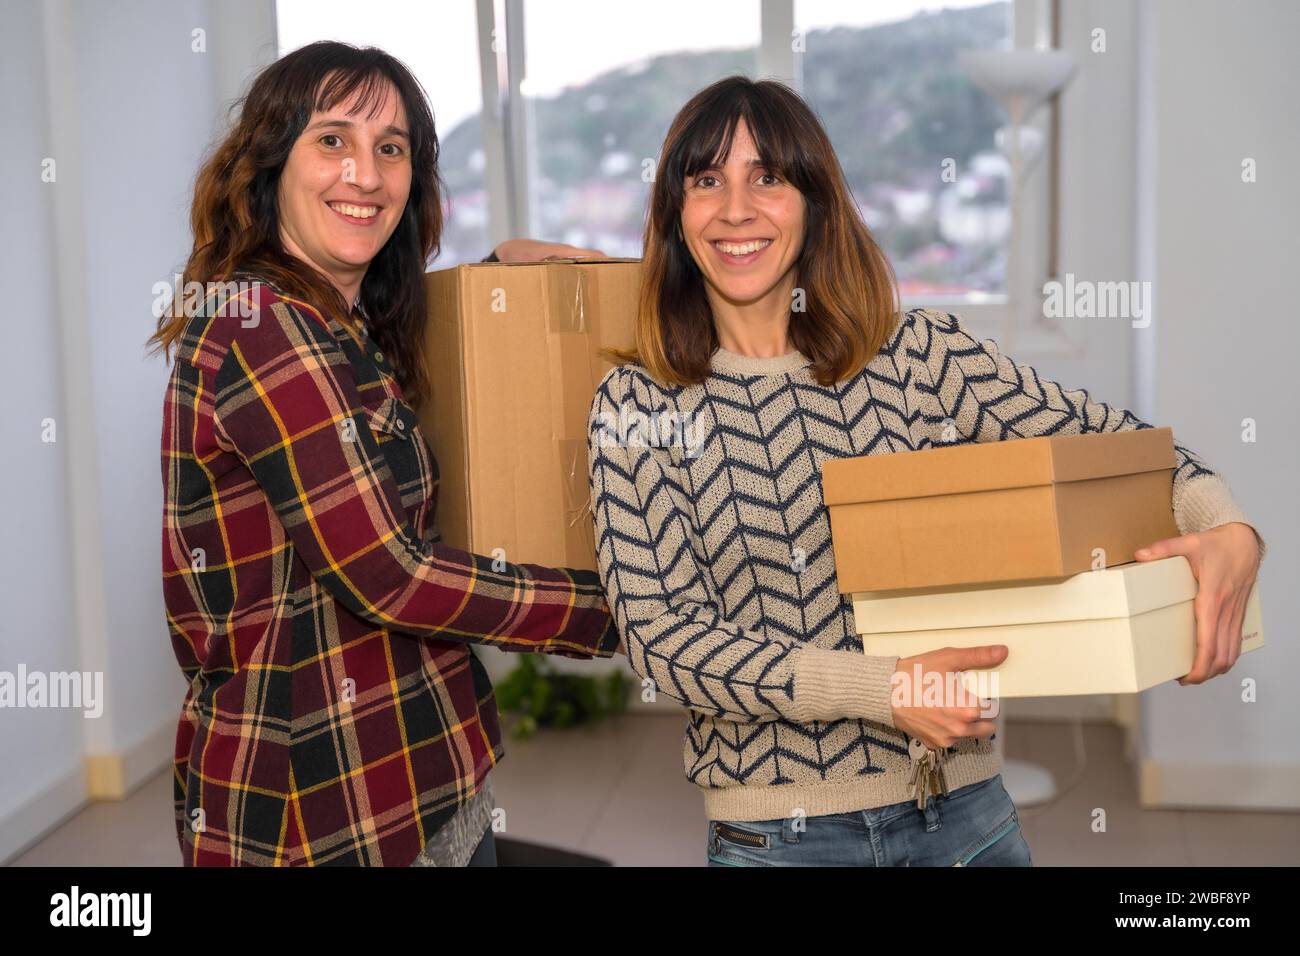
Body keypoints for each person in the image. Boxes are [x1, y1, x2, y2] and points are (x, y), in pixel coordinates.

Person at [587, 76, 1265, 866]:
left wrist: (1225, 524)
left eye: (768, 177)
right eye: (707, 180)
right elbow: (662, 638)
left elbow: (1119, 446)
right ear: (675, 214)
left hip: (965, 814)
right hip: (778, 834)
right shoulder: (637, 404)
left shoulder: (921, 357)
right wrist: (887, 689)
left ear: (815, 203)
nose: (737, 208)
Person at [149, 41, 614, 866]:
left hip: (425, 776)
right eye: (332, 140)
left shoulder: (340, 326)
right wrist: (614, 610)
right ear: (270, 164)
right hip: (326, 816)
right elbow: (390, 576)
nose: (364, 175)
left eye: (390, 149)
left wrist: (501, 278)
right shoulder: (264, 331)